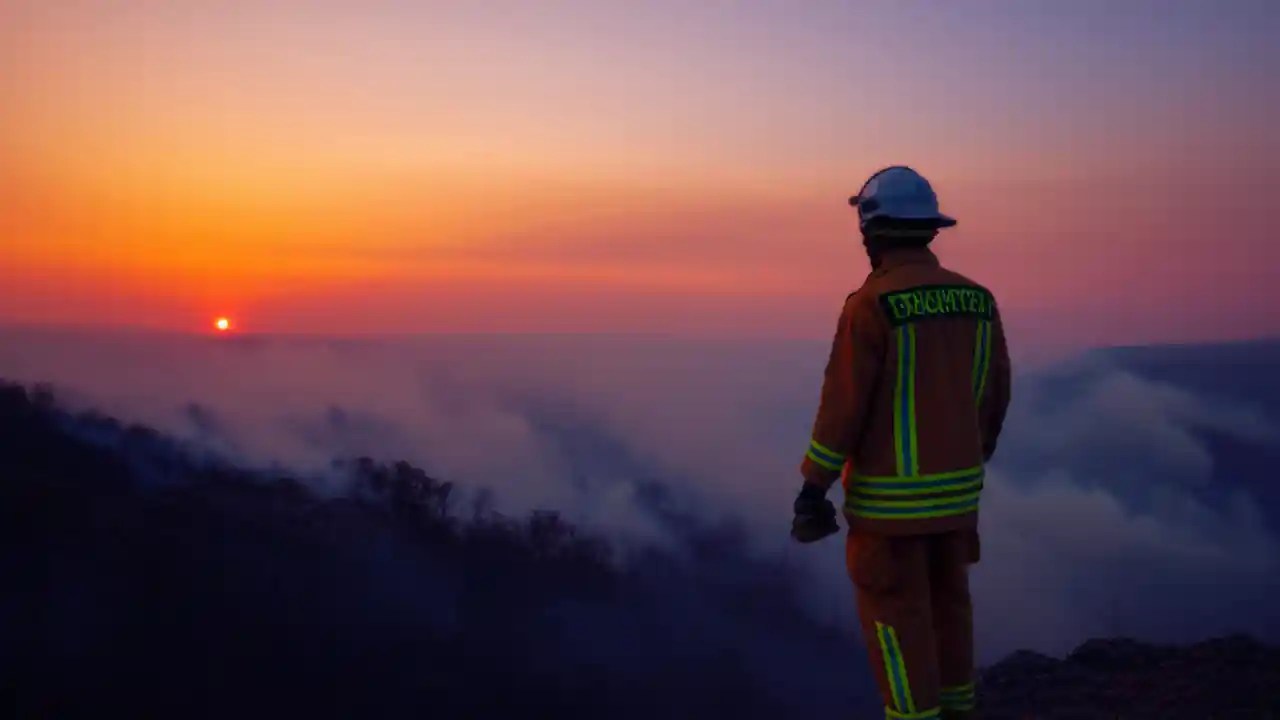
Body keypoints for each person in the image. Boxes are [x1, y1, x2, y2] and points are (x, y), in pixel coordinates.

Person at [791, 167, 1012, 720]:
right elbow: (992, 396)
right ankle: (960, 710)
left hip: (889, 513)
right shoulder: (978, 302)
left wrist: (812, 488)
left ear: (875, 231)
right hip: (958, 500)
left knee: (895, 620)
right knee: (949, 610)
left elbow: (843, 408)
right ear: (930, 230)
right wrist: (964, 457)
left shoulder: (871, 305)